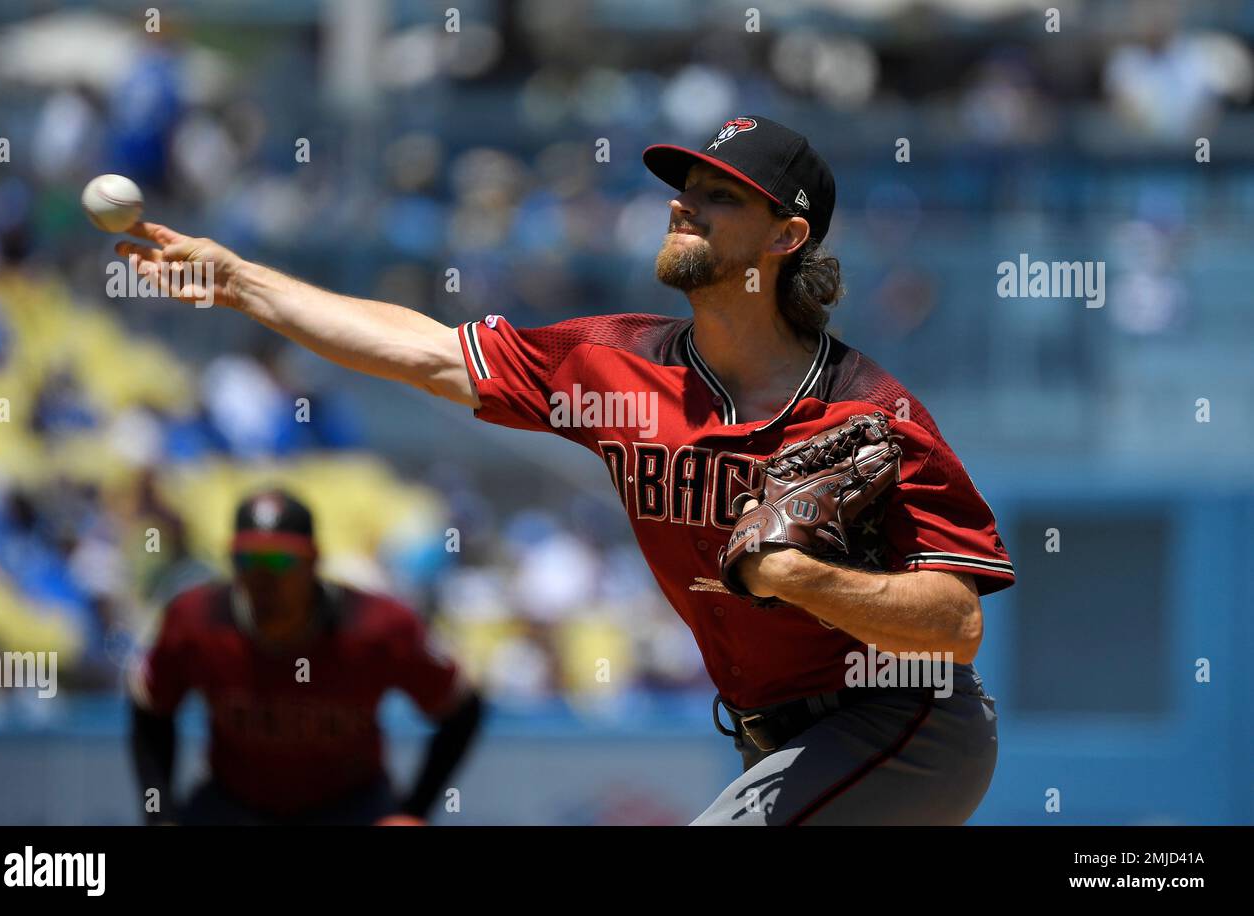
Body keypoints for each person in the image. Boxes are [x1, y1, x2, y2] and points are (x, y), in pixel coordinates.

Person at [116, 115, 1013, 825]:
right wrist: (240, 280)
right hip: (774, 746)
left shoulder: (869, 413)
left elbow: (958, 625)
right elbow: (426, 352)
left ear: (786, 237)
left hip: (906, 725)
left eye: (719, 196)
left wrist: (803, 578)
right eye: (682, 187)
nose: (682, 204)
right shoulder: (612, 367)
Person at [128, 488, 482, 825]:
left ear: (313, 561)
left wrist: (414, 810)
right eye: (249, 559)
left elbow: (462, 706)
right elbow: (151, 706)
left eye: (281, 560)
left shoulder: (376, 627)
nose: (264, 576)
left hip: (350, 807)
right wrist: (161, 816)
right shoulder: (196, 621)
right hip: (234, 804)